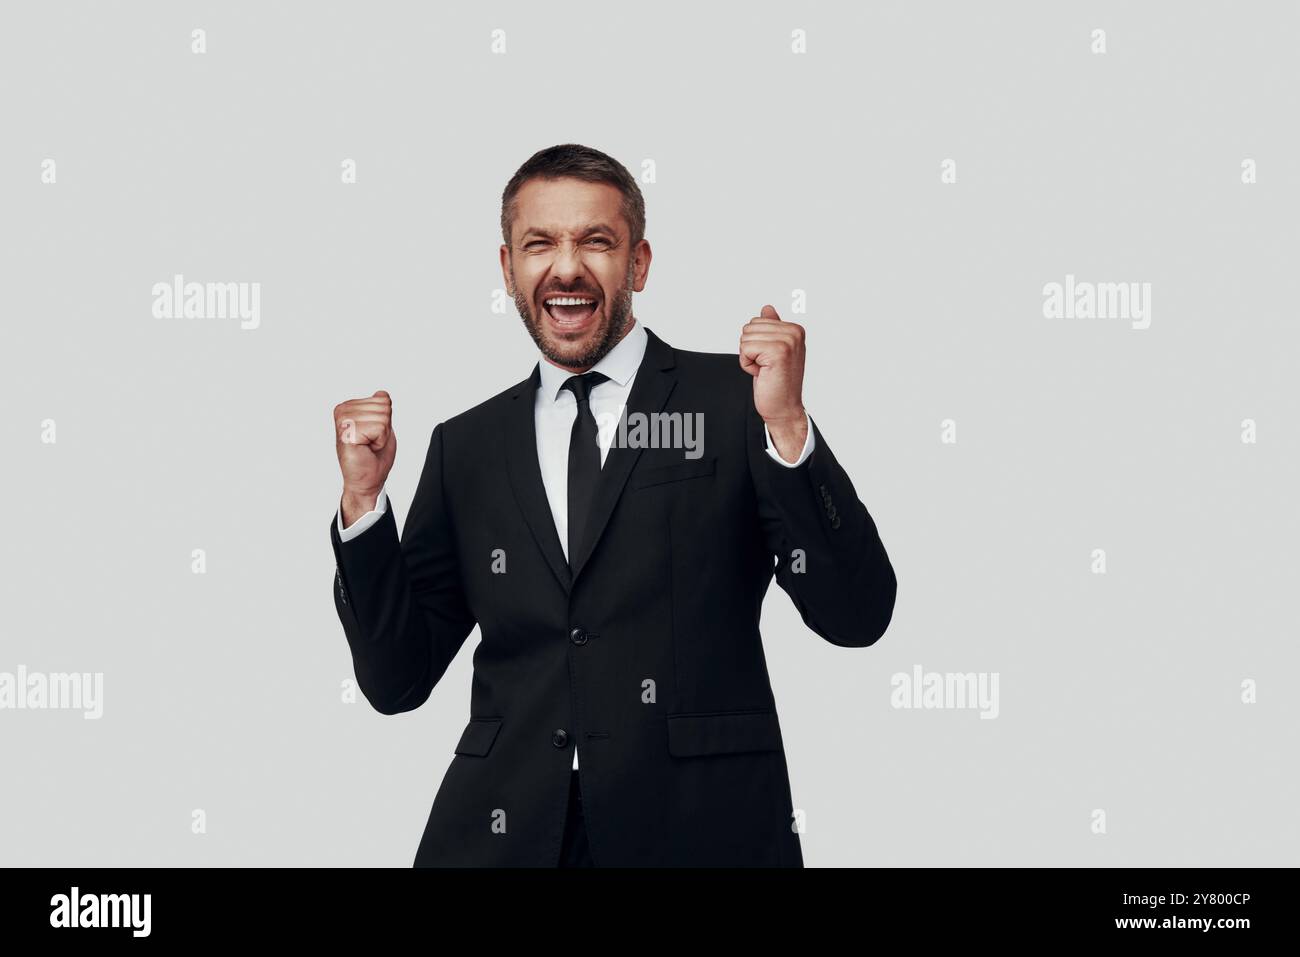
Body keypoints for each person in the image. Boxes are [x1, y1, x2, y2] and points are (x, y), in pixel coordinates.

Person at [329, 143, 897, 866]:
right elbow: (396, 679)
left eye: (596, 240)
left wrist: (786, 426)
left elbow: (858, 614)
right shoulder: (465, 445)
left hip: (699, 832)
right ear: (508, 269)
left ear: (639, 263)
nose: (566, 266)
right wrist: (363, 502)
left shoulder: (736, 402)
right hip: (501, 837)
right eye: (540, 244)